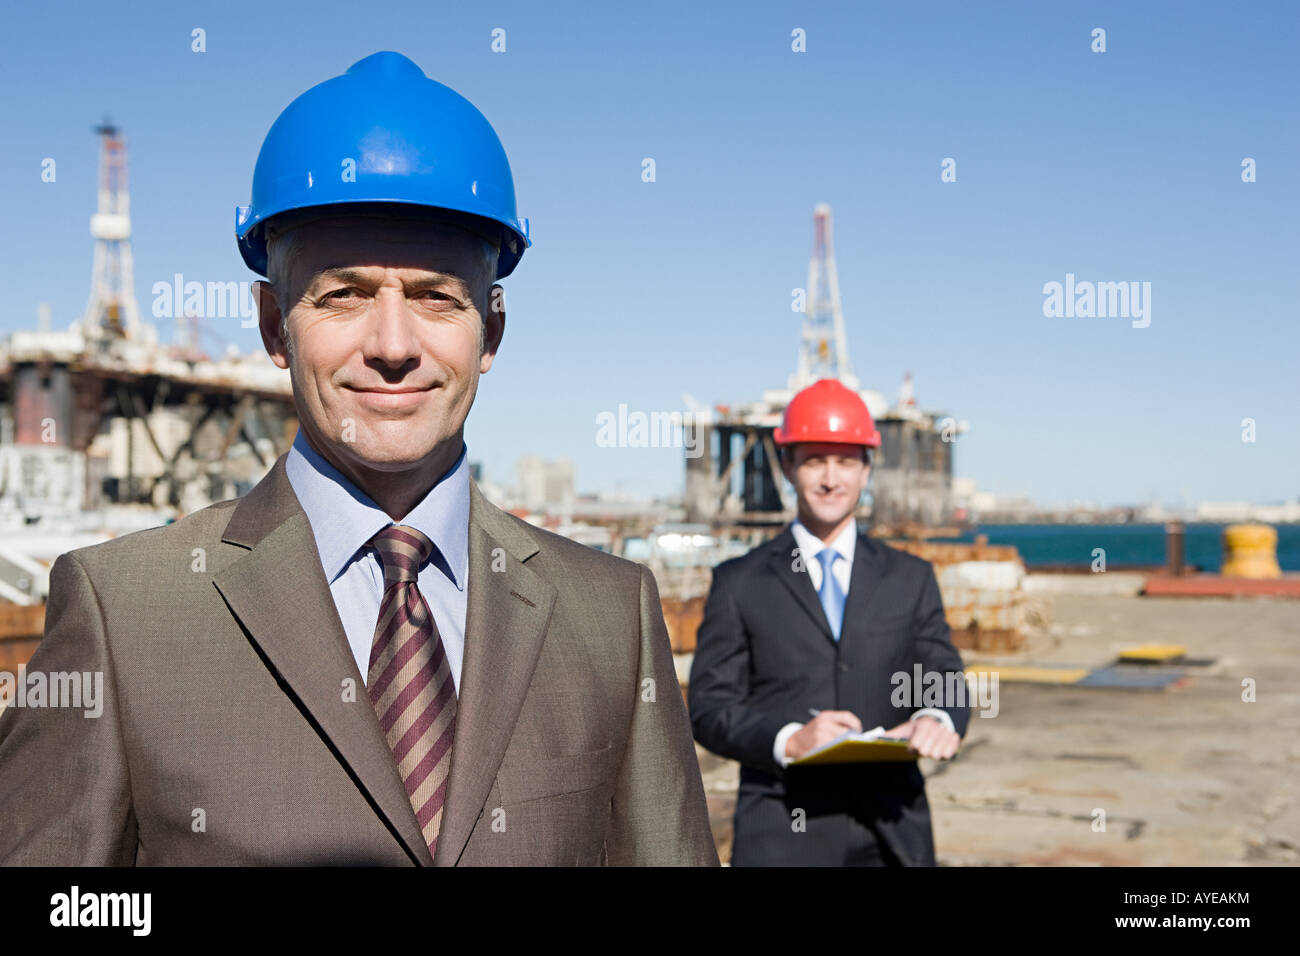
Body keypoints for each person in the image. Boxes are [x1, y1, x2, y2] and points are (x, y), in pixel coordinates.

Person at [0, 51, 717, 867]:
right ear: (274, 325)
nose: (392, 346)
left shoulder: (609, 615)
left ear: (493, 335)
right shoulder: (123, 612)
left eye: (436, 297)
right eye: (342, 294)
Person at [688, 378, 968, 866]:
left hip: (892, 838)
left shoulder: (912, 577)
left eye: (845, 461)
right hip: (782, 834)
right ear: (788, 467)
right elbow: (709, 709)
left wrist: (937, 717)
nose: (831, 478)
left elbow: (944, 676)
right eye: (815, 459)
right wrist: (789, 739)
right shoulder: (739, 582)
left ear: (867, 470)